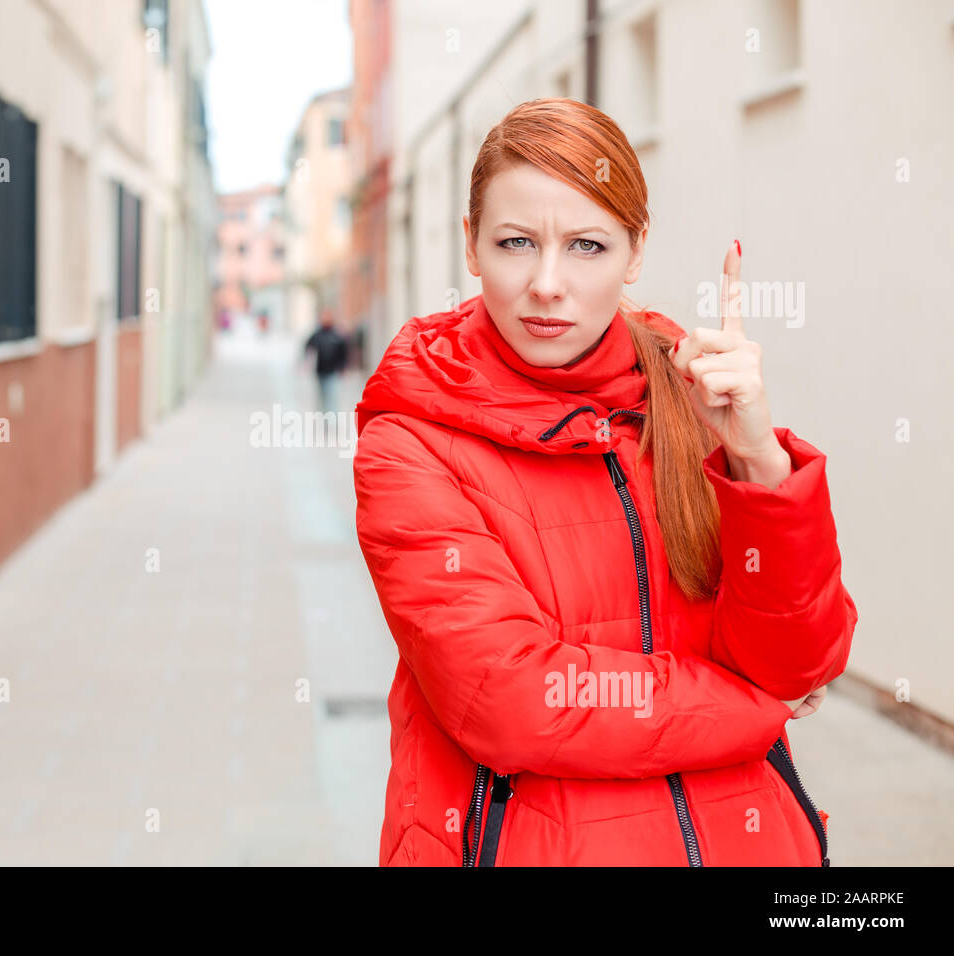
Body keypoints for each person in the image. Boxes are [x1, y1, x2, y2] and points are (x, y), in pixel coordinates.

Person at [352, 97, 857, 867]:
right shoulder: (412, 438)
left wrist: (758, 461)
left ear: (636, 250)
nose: (547, 284)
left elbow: (799, 664)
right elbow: (516, 700)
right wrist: (752, 708)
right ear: (471, 244)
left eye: (587, 245)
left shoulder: (689, 393)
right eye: (516, 242)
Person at [302, 308, 348, 424]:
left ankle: (332, 419)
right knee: (321, 397)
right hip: (320, 371)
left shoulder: (336, 335)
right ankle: (323, 418)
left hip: (332, 372)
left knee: (332, 395)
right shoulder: (317, 335)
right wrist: (306, 362)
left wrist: (343, 367)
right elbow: (308, 346)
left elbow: (343, 352)